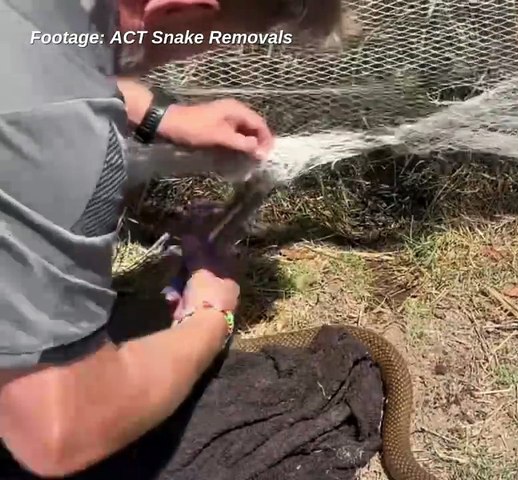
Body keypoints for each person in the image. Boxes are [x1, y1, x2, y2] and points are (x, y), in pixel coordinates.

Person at [0, 0, 338, 477]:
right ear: (178, 12)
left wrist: (161, 116)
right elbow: (56, 433)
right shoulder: (63, 139)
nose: (197, 55)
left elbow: (53, 53)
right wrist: (211, 315)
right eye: (210, 43)